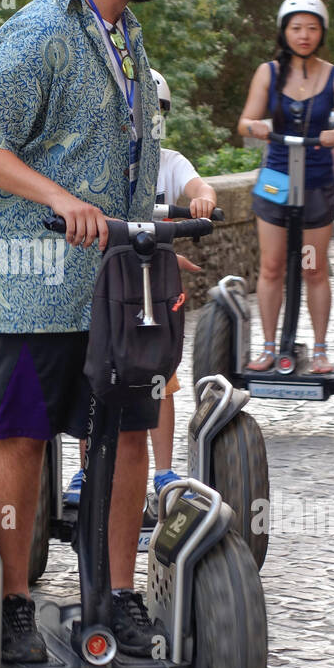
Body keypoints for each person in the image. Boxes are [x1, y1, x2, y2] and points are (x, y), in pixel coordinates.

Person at [0, 0, 205, 662]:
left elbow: (136, 157)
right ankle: (13, 606)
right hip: (31, 277)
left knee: (130, 434)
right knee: (23, 436)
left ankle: (119, 598)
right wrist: (59, 199)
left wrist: (155, 238)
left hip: (114, 284)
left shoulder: (126, 33)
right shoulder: (39, 32)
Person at [63, 70, 217, 505]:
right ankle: (85, 469)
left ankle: (164, 471)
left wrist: (203, 197)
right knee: (97, 369)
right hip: (110, 284)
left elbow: (197, 185)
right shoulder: (100, 166)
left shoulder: (168, 163)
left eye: (149, 114)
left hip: (154, 281)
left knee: (159, 376)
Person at [237, 0, 334, 374]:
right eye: (296, 28)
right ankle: (269, 347)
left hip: (316, 182)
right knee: (272, 266)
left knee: (313, 267)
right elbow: (244, 121)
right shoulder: (268, 73)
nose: (304, 35)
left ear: (321, 32)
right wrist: (255, 127)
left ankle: (322, 350)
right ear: (284, 32)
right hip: (276, 179)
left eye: (311, 28)